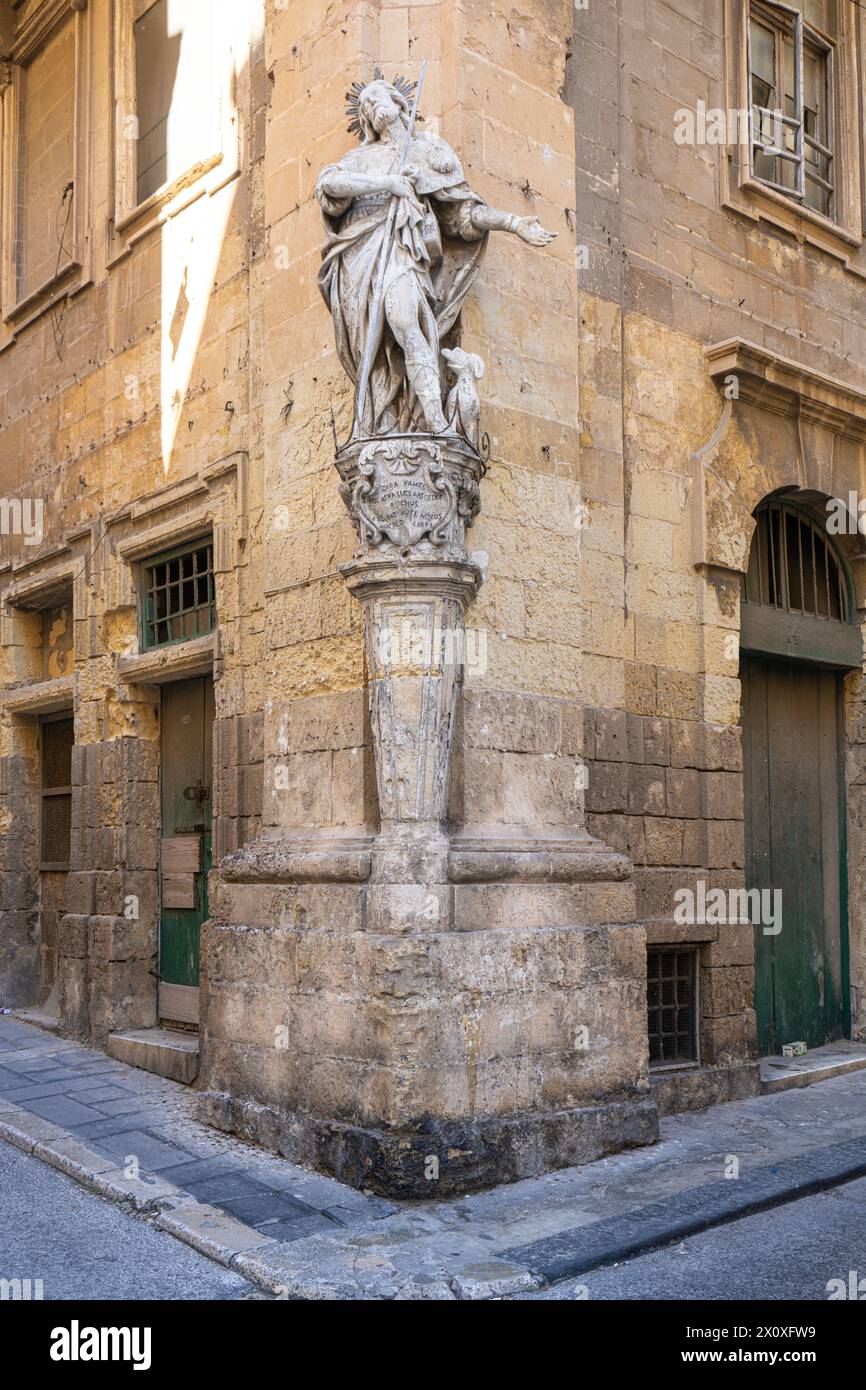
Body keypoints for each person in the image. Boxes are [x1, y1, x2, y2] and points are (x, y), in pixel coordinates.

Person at [317, 77, 555, 437]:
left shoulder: (427, 153)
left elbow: (462, 216)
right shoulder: (360, 158)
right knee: (379, 348)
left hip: (403, 257)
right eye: (364, 106)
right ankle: (380, 420)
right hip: (360, 265)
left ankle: (436, 423)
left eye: (376, 97)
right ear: (364, 120)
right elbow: (328, 187)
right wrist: (389, 183)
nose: (371, 106)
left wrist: (514, 222)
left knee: (406, 323)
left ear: (398, 103)